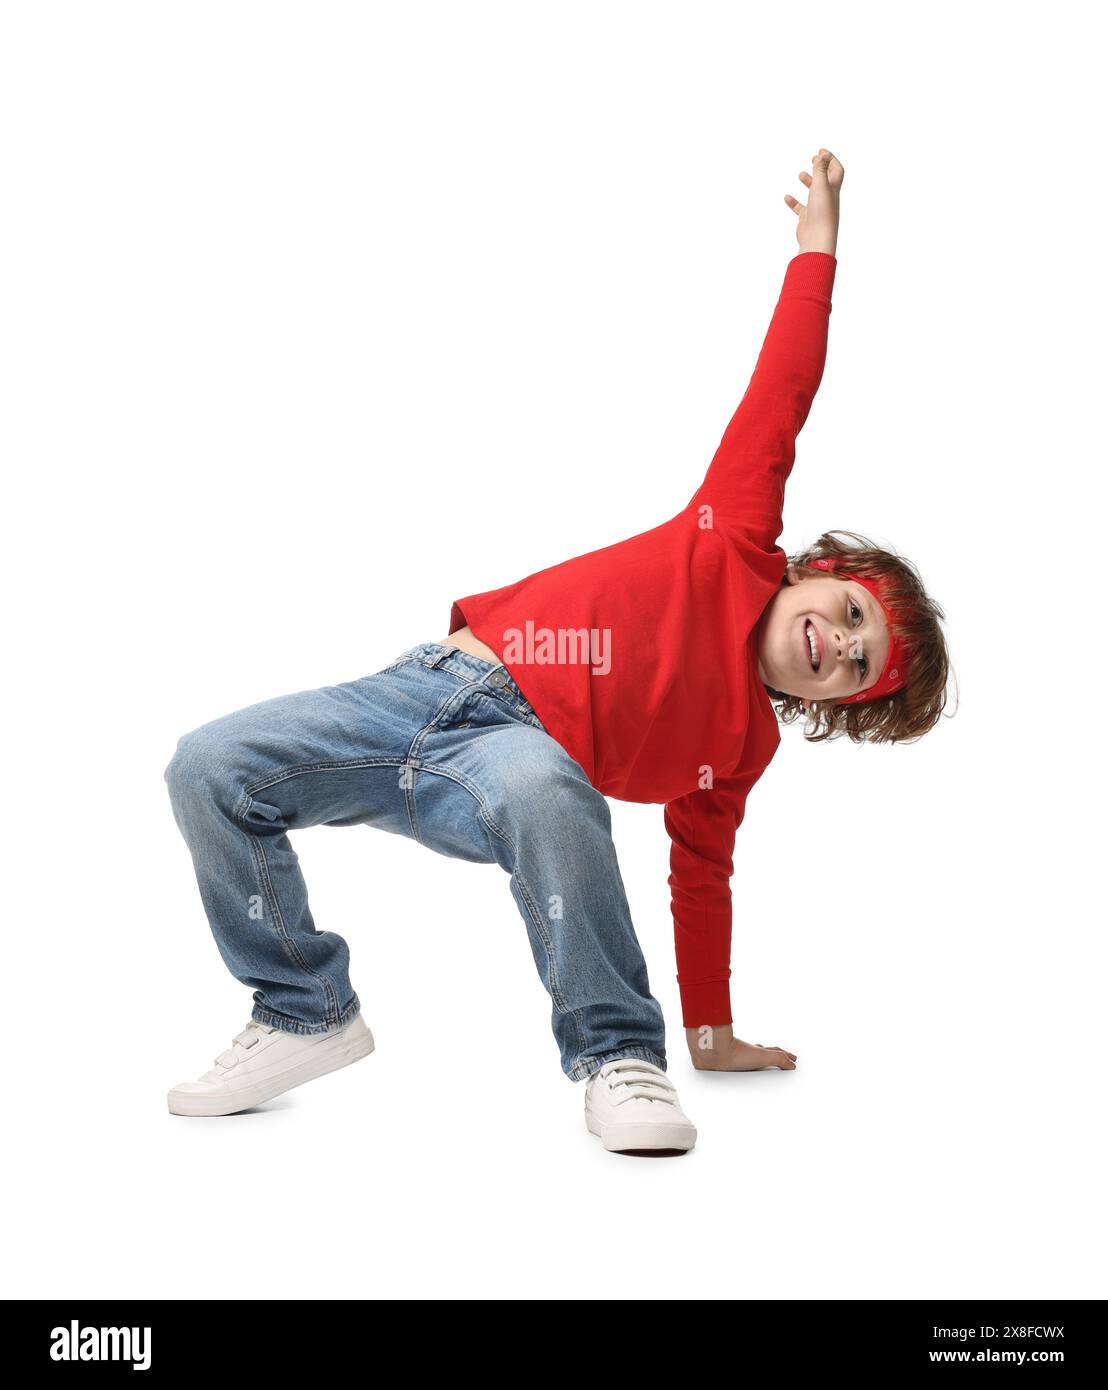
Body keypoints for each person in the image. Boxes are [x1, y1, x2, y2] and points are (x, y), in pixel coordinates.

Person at [163, 148, 950, 1154]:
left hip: (510, 763)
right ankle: (304, 1006)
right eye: (849, 612)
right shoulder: (731, 533)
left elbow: (701, 875)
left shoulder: (741, 745)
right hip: (422, 693)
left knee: (543, 785)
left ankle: (620, 1054)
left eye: (855, 665)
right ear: (816, 570)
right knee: (209, 766)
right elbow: (782, 392)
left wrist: (712, 1031)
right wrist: (818, 255)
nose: (837, 644)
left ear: (832, 703)